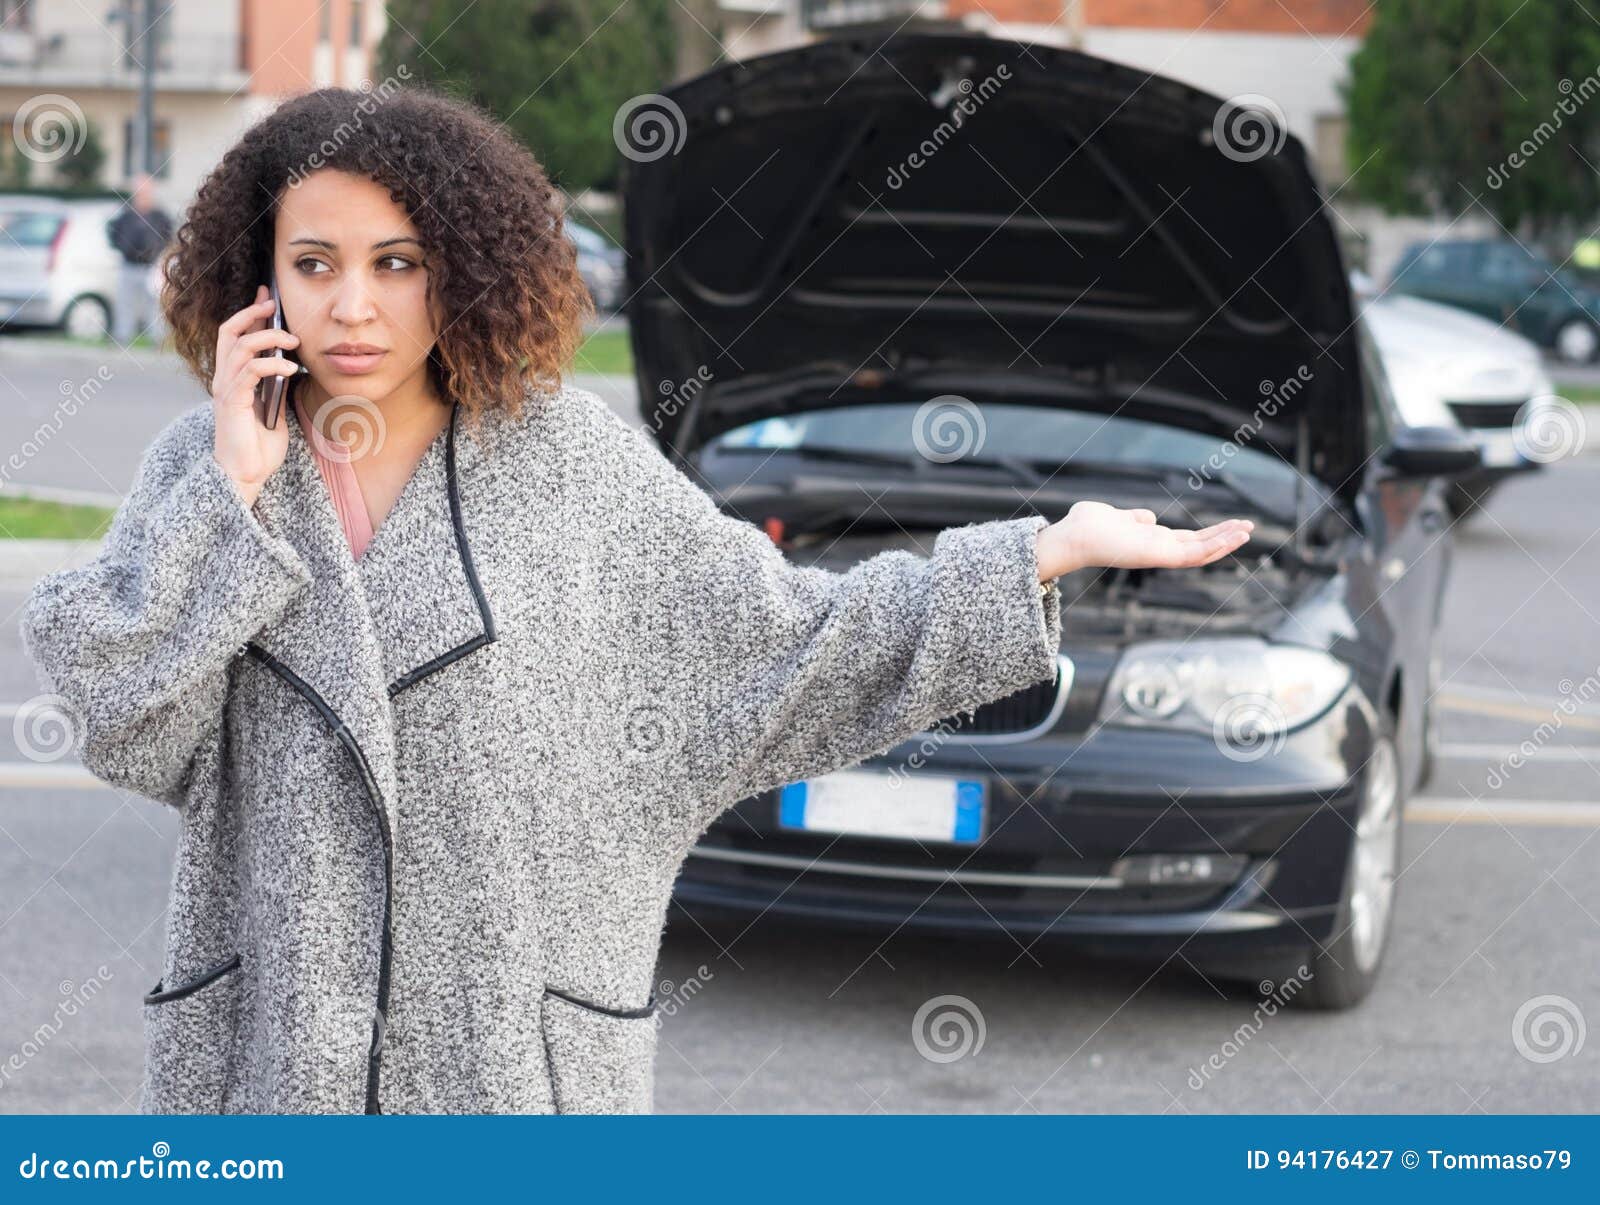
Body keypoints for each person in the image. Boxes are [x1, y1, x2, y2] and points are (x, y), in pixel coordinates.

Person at [19, 86, 1253, 1116]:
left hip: (507, 1077)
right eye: (314, 262)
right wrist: (233, 496)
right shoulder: (207, 461)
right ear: (259, 277)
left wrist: (1033, 556)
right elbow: (134, 725)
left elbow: (794, 643)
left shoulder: (570, 463)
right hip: (270, 1069)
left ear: (458, 270)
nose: (352, 305)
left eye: (397, 262)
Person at [106, 171, 173, 344]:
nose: (142, 194)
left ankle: (157, 340)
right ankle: (122, 337)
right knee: (125, 304)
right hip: (129, 265)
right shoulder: (125, 215)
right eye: (139, 190)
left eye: (146, 190)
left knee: (155, 306)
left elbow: (168, 237)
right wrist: (122, 248)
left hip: (151, 267)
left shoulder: (160, 216)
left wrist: (159, 255)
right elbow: (113, 234)